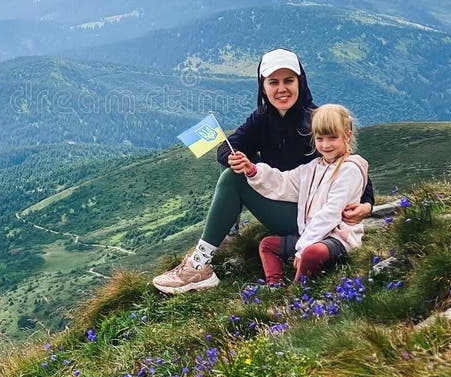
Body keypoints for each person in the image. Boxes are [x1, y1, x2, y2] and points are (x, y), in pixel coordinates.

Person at [152, 48, 374, 294]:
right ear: (263, 86)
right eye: (273, 82)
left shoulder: (317, 120)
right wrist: (236, 160)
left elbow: (350, 169)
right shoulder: (261, 118)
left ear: (300, 82)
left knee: (233, 178)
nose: (281, 89)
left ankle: (199, 265)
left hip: (310, 216)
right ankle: (202, 262)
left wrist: (367, 205)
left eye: (289, 80)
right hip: (282, 196)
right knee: (237, 171)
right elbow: (228, 147)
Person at [241, 103, 367, 286]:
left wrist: (302, 248)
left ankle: (297, 291)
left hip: (338, 239)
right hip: (310, 237)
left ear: (347, 135)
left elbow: (331, 212)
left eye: (332, 138)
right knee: (267, 245)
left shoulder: (351, 168)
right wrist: (253, 171)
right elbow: (283, 182)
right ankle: (274, 286)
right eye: (320, 138)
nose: (325, 145)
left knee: (311, 254)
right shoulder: (312, 167)